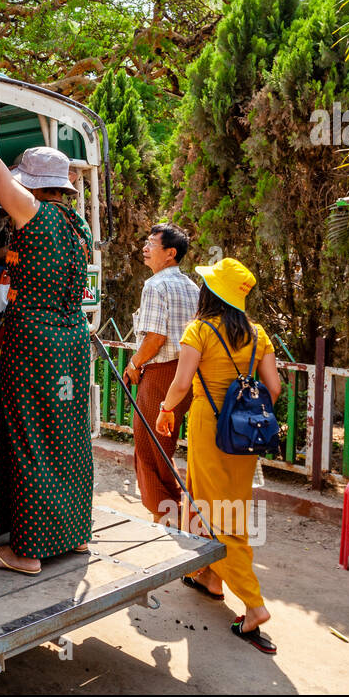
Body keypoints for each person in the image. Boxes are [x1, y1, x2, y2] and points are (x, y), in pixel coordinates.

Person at [0, 68, 94, 576]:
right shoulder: (76, 224)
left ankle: (25, 552)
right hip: (71, 341)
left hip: (35, 342)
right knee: (66, 438)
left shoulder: (33, 213)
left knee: (26, 439)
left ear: (35, 187)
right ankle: (71, 534)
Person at [155, 257, 283, 654]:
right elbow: (273, 389)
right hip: (243, 438)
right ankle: (208, 577)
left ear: (210, 294)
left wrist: (163, 410)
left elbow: (180, 383)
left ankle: (254, 605)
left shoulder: (200, 330)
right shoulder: (258, 334)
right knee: (219, 503)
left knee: (218, 516)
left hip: (210, 430)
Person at [122, 223, 198, 526]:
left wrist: (134, 364)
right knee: (165, 442)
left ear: (170, 253)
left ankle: (166, 512)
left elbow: (155, 338)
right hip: (185, 375)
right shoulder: (192, 286)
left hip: (160, 374)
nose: (145, 247)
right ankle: (171, 511)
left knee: (148, 444)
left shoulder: (155, 285)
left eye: (152, 243)